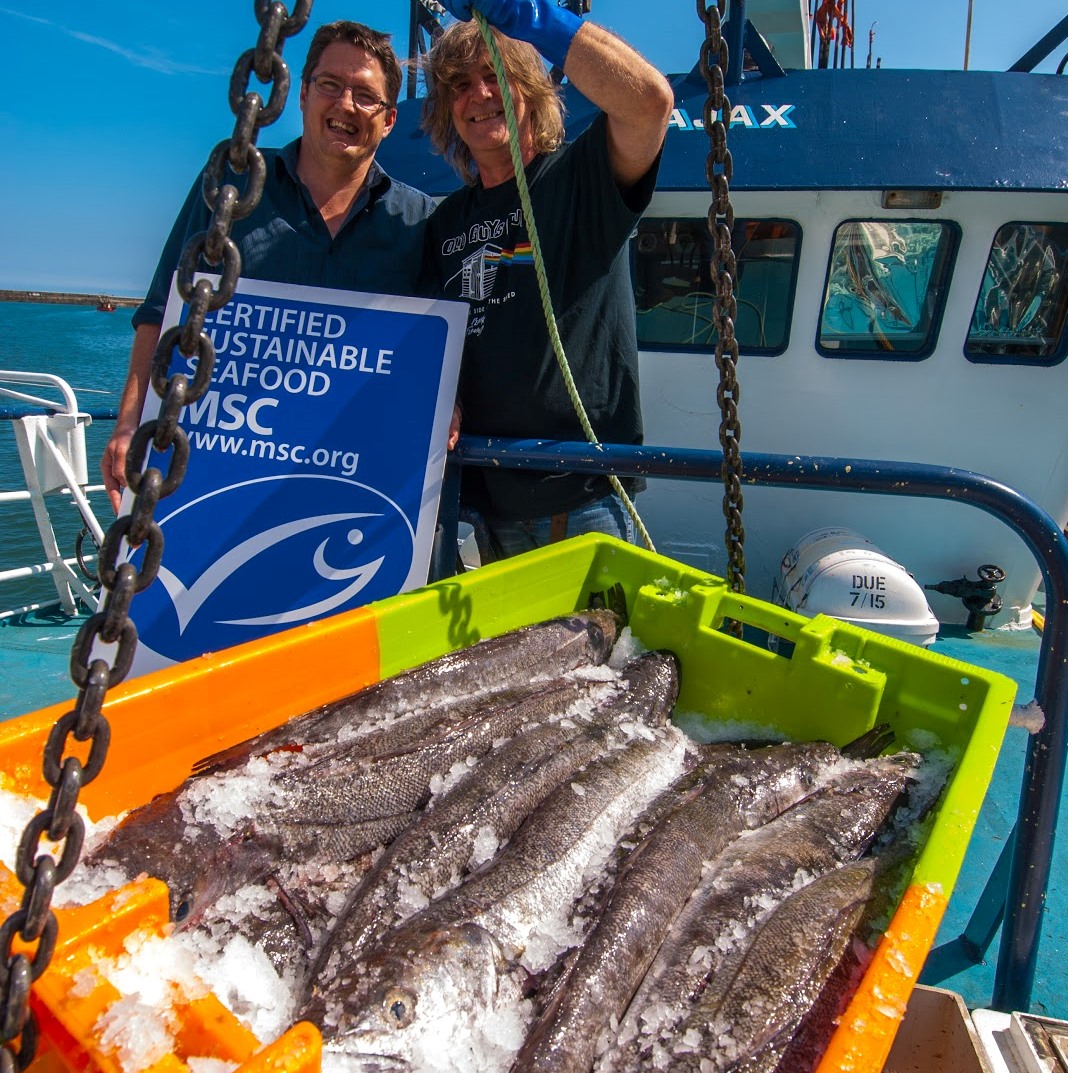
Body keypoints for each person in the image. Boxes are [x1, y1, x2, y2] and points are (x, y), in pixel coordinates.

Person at [101, 20, 437, 513]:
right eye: (330, 85)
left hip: (355, 481)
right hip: (219, 473)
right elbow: (161, 311)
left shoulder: (421, 221)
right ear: (301, 94)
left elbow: (438, 349)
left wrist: (449, 399)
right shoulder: (230, 183)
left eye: (366, 96)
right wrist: (130, 421)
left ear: (388, 120)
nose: (345, 105)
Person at [421, 0, 674, 563]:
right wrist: (446, 395)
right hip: (484, 501)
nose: (478, 94)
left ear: (531, 90)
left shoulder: (581, 177)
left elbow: (649, 105)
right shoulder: (444, 223)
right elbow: (437, 339)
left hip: (580, 498)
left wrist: (531, 17)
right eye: (460, 84)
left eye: (495, 75)